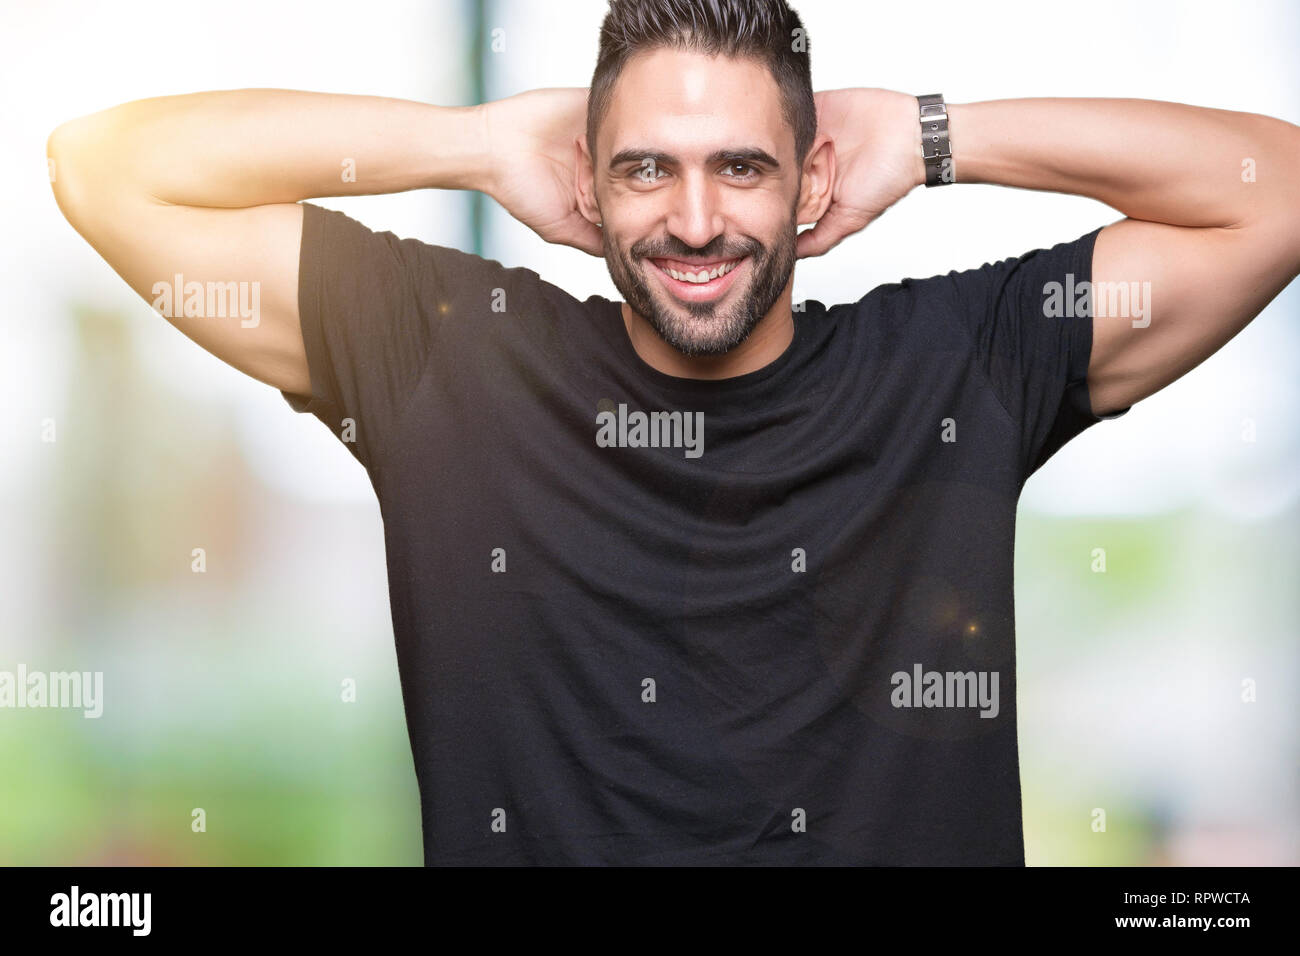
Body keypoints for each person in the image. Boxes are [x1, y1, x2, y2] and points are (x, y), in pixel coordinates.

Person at [47, 0, 1300, 865]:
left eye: (742, 167)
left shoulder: (956, 364)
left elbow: (1275, 193)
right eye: (646, 169)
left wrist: (929, 136)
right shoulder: (451, 355)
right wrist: (476, 144)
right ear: (584, 185)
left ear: (812, 180)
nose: (695, 220)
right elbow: (106, 167)